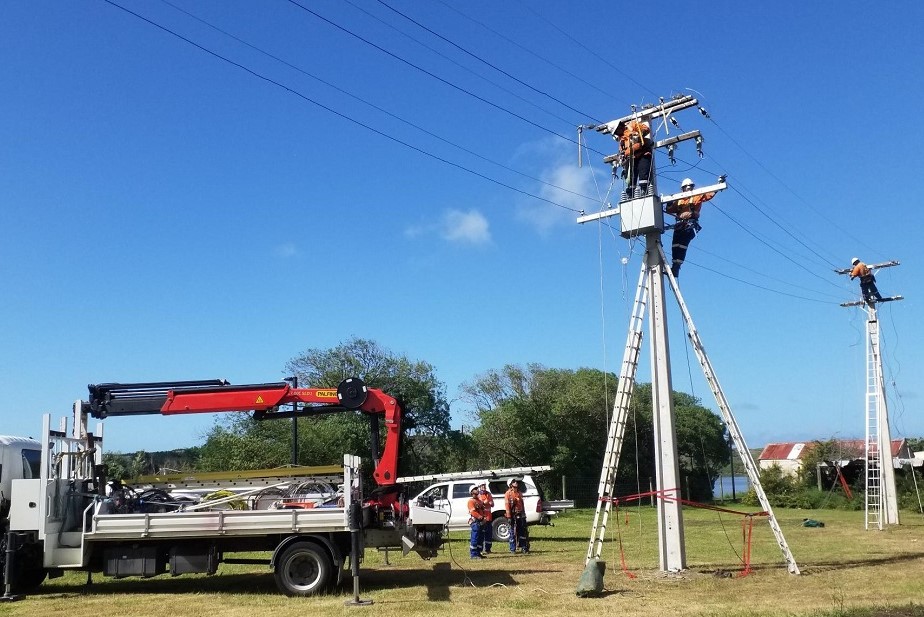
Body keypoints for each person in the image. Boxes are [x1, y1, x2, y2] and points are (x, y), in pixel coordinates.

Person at [664, 178, 716, 278]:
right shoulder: (679, 200)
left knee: (682, 246)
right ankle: (675, 267)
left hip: (689, 226)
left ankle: (676, 268)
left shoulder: (697, 195)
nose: (688, 189)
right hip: (679, 226)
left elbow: (708, 195)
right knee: (675, 246)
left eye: (690, 187)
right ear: (683, 189)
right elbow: (670, 210)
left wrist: (717, 187)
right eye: (686, 187)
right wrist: (669, 202)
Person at [618, 119, 653, 200]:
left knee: (643, 176)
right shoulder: (621, 139)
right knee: (630, 180)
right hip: (632, 159)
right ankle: (631, 194)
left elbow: (645, 129)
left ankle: (644, 191)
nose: (618, 133)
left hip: (643, 153)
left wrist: (640, 133)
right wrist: (622, 156)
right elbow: (622, 151)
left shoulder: (632, 125)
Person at [504, 478, 530, 554]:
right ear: (510, 485)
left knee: (522, 531)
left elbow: (522, 504)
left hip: (520, 514)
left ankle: (523, 547)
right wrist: (509, 517)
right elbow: (507, 506)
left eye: (515, 482)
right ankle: (512, 549)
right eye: (514, 482)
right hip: (513, 515)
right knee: (512, 532)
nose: (516, 483)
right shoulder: (508, 494)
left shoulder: (519, 493)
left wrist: (524, 514)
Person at [467, 484, 487, 559]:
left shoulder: (479, 501)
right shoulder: (471, 501)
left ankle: (478, 553)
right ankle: (473, 554)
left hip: (481, 522)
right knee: (475, 538)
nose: (477, 490)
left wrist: (484, 518)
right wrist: (480, 517)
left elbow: (483, 510)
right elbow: (473, 512)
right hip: (475, 522)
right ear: (472, 492)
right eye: (475, 489)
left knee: (480, 538)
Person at [477, 483, 494, 554]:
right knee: (482, 535)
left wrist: (491, 503)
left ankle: (488, 549)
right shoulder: (478, 495)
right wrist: (484, 503)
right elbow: (478, 505)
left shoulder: (488, 494)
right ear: (480, 487)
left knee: (489, 534)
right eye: (482, 486)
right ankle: (480, 550)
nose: (484, 487)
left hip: (489, 517)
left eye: (484, 486)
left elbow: (492, 504)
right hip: (483, 518)